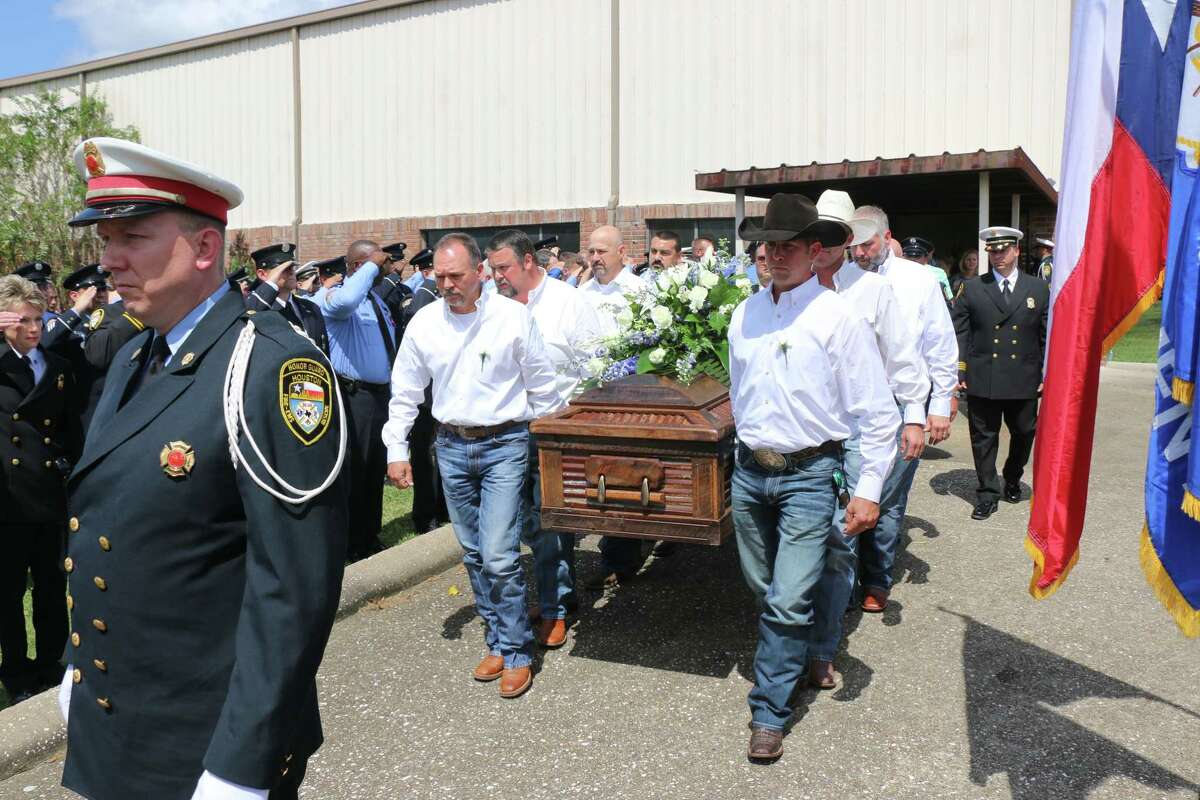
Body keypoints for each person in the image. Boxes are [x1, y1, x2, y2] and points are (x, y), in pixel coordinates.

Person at [56, 137, 347, 800]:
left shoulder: (271, 368)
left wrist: (242, 765)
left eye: (133, 236)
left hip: (207, 735)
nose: (109, 260)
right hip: (122, 716)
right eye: (105, 239)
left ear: (204, 248)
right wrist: (79, 669)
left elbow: (292, 592)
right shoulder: (135, 357)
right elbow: (110, 523)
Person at [730, 194, 899, 761]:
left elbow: (878, 413)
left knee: (786, 598)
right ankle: (798, 654)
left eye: (788, 246)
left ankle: (769, 711)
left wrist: (868, 489)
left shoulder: (837, 317)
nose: (775, 255)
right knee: (766, 590)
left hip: (810, 474)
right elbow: (740, 394)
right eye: (768, 245)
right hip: (752, 474)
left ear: (815, 251)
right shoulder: (744, 313)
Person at [383, 232, 561, 699]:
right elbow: (405, 389)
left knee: (500, 554)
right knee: (475, 554)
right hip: (452, 447)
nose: (447, 284)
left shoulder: (513, 318)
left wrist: (546, 445)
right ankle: (498, 639)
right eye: (439, 276)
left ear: (479, 271)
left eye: (455, 275)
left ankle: (519, 651)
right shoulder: (424, 323)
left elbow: (542, 386)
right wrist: (396, 449)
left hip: (505, 443)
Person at [806, 190, 929, 690]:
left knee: (839, 542)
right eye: (817, 234)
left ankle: (821, 647)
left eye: (835, 234)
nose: (824, 244)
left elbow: (903, 360)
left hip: (860, 434)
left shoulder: (875, 292)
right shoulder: (791, 291)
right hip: (809, 435)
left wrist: (916, 416)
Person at [487, 229, 603, 648]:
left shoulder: (568, 303)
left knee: (551, 518)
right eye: (492, 268)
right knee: (522, 523)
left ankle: (555, 607)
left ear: (528, 262)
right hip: (503, 430)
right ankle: (555, 591)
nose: (496, 276)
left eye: (503, 268)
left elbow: (596, 363)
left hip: (552, 428)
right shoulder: (491, 306)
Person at [847, 205, 959, 612]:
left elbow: (939, 344)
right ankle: (843, 580)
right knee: (846, 490)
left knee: (887, 497)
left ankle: (876, 579)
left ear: (887, 234)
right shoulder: (840, 280)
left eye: (868, 244)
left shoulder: (918, 281)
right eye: (853, 245)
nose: (860, 253)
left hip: (901, 404)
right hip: (851, 403)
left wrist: (940, 403)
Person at [0, 276, 80, 704]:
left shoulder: (57, 366)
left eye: (41, 318)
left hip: (49, 496)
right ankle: (15, 673)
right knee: (9, 594)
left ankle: (51, 665)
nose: (34, 328)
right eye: (25, 320)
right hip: (8, 501)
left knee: (51, 587)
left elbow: (70, 430)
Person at [953, 226, 1049, 520]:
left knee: (1024, 432)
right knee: (983, 437)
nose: (997, 256)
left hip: (1025, 375)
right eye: (992, 251)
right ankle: (987, 492)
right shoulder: (972, 288)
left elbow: (1047, 334)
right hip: (984, 374)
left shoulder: (1038, 288)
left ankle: (1012, 475)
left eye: (1003, 250)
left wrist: (1047, 371)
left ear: (1017, 250)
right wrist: (960, 368)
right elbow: (960, 332)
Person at [312, 239, 397, 562]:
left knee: (375, 469)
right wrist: (372, 264)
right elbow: (344, 302)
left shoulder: (375, 299)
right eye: (377, 263)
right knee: (356, 470)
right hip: (354, 396)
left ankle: (369, 536)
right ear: (359, 267)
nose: (386, 267)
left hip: (379, 396)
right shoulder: (334, 294)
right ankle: (349, 543)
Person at [248, 244, 330, 355]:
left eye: (292, 267)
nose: (292, 272)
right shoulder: (261, 308)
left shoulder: (311, 308)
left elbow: (323, 351)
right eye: (284, 269)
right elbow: (249, 316)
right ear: (262, 274)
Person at [577, 225, 643, 334]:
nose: (595, 258)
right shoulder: (581, 293)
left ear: (621, 252)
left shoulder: (639, 289)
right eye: (591, 252)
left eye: (601, 251)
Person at [900, 236, 953, 301]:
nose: (912, 259)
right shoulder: (895, 272)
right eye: (908, 256)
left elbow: (949, 302)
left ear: (925, 258)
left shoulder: (938, 273)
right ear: (902, 257)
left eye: (917, 256)